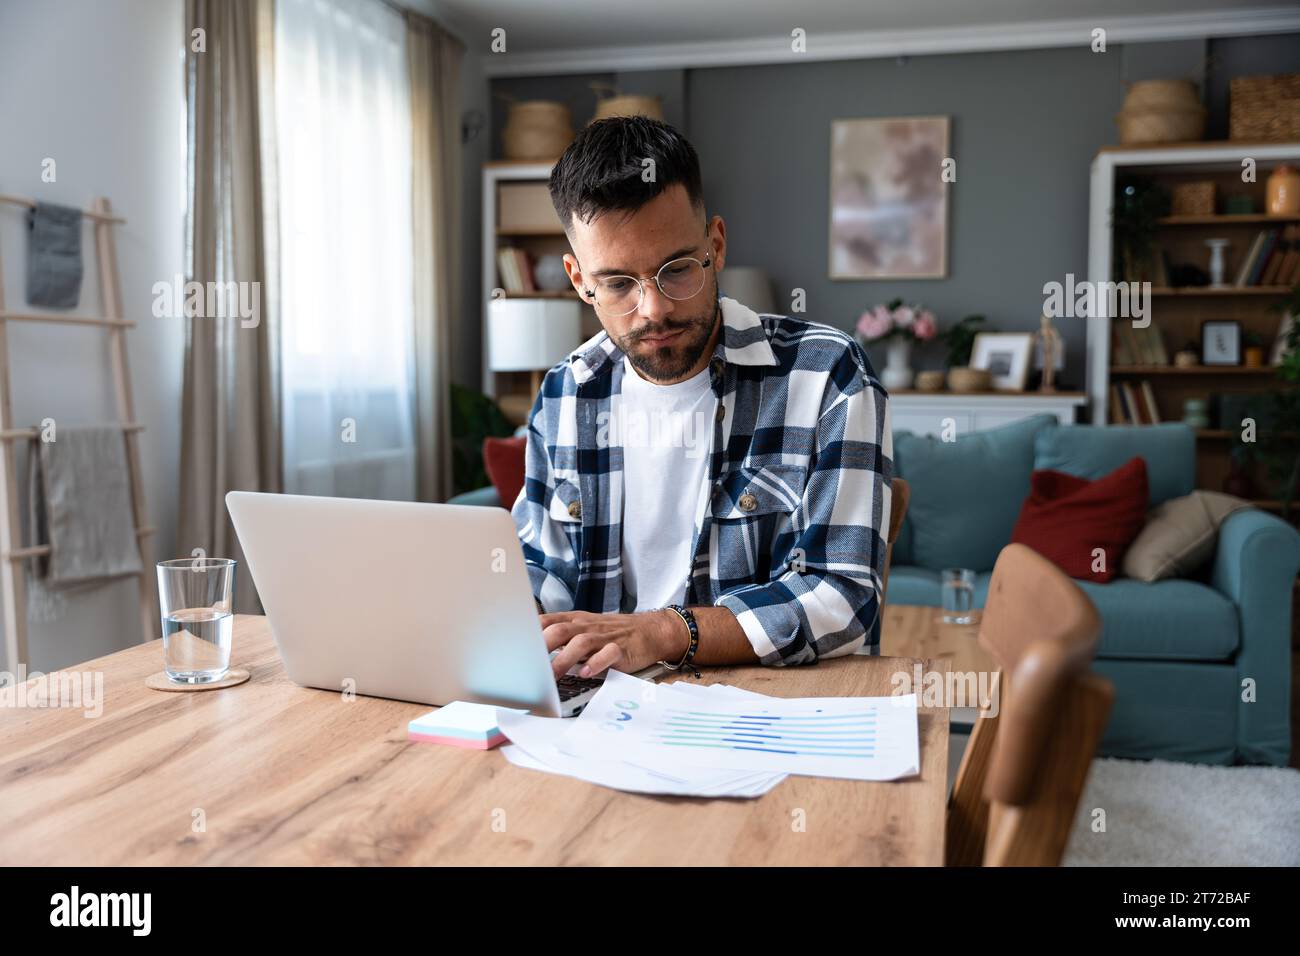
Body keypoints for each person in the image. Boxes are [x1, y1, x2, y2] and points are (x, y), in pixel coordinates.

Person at [513, 115, 892, 681]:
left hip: (762, 706)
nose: (654, 310)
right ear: (579, 279)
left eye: (677, 270)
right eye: (618, 284)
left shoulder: (825, 375)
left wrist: (663, 632)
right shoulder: (567, 392)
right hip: (597, 709)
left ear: (715, 244)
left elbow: (842, 597)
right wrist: (503, 613)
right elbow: (542, 570)